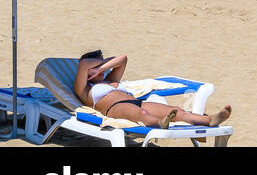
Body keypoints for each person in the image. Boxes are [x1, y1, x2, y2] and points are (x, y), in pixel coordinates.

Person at [73, 51, 231, 128]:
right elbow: (84, 63)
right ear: (88, 72)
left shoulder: (110, 81)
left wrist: (101, 67)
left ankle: (209, 120)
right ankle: (159, 123)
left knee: (178, 111)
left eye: (102, 69)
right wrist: (94, 68)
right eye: (96, 69)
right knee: (142, 115)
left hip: (136, 102)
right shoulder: (84, 90)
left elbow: (123, 59)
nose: (101, 72)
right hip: (114, 108)